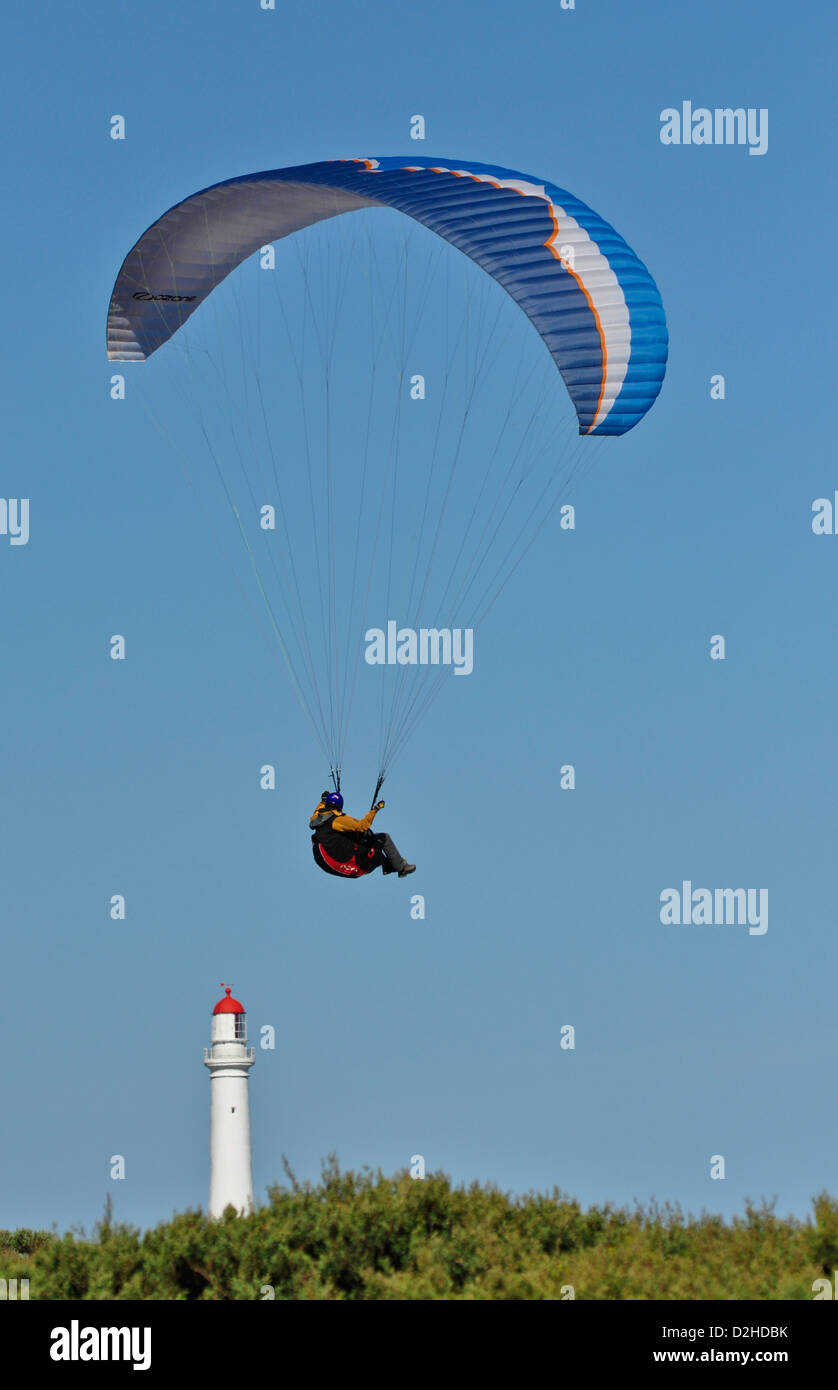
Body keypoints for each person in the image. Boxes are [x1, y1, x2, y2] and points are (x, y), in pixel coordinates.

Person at [310, 792, 415, 879]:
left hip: (322, 858)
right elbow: (361, 826)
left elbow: (318, 810)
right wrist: (375, 810)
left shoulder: (318, 818)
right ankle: (401, 868)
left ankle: (389, 866)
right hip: (339, 860)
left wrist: (322, 801)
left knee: (365, 840)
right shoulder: (338, 820)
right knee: (382, 838)